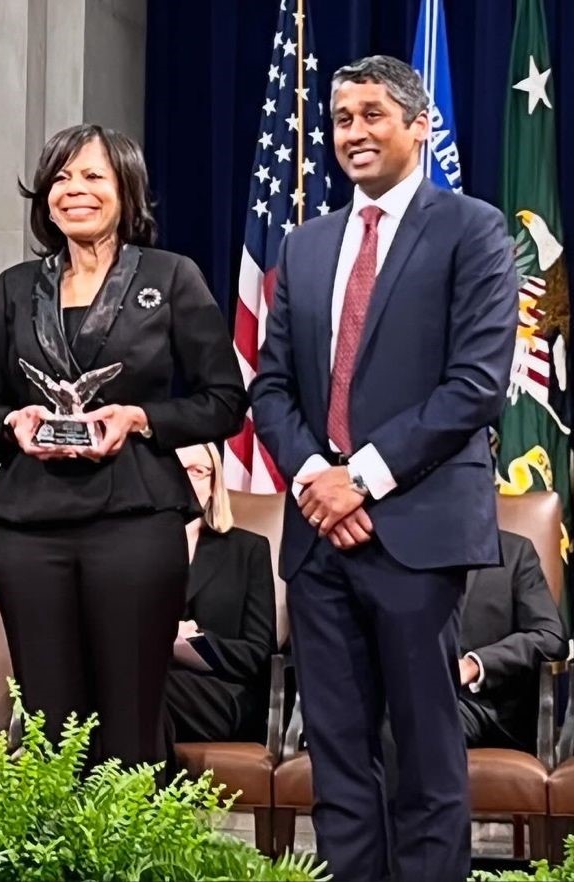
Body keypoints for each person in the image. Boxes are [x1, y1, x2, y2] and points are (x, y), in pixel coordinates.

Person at [250, 55, 518, 882]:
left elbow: (475, 385)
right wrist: (315, 480)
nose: (353, 132)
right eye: (341, 119)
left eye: (372, 115)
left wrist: (358, 480)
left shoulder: (472, 229)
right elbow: (270, 385)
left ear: (418, 126)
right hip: (318, 537)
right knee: (336, 757)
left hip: (416, 532)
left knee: (423, 755)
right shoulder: (304, 244)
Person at [0, 123, 246, 772]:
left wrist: (140, 418)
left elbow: (224, 401)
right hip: (27, 531)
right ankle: (53, 839)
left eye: (93, 176)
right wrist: (14, 425)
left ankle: (128, 838)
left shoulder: (171, 277)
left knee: (129, 718)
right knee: (48, 725)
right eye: (61, 178)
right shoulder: (14, 288)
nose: (75, 190)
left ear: (126, 189)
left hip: (135, 524)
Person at [165, 442, 275, 746]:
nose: (185, 479)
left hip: (221, 693)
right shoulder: (132, 550)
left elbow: (257, 654)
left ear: (214, 485)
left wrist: (196, 643)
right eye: (174, 469)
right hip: (148, 682)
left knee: (131, 688)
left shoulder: (248, 550)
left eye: (197, 471)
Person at [459, 529, 567, 751]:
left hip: (485, 705)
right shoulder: (404, 553)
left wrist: (475, 664)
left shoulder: (515, 552)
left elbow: (550, 636)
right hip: (408, 690)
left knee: (416, 718)